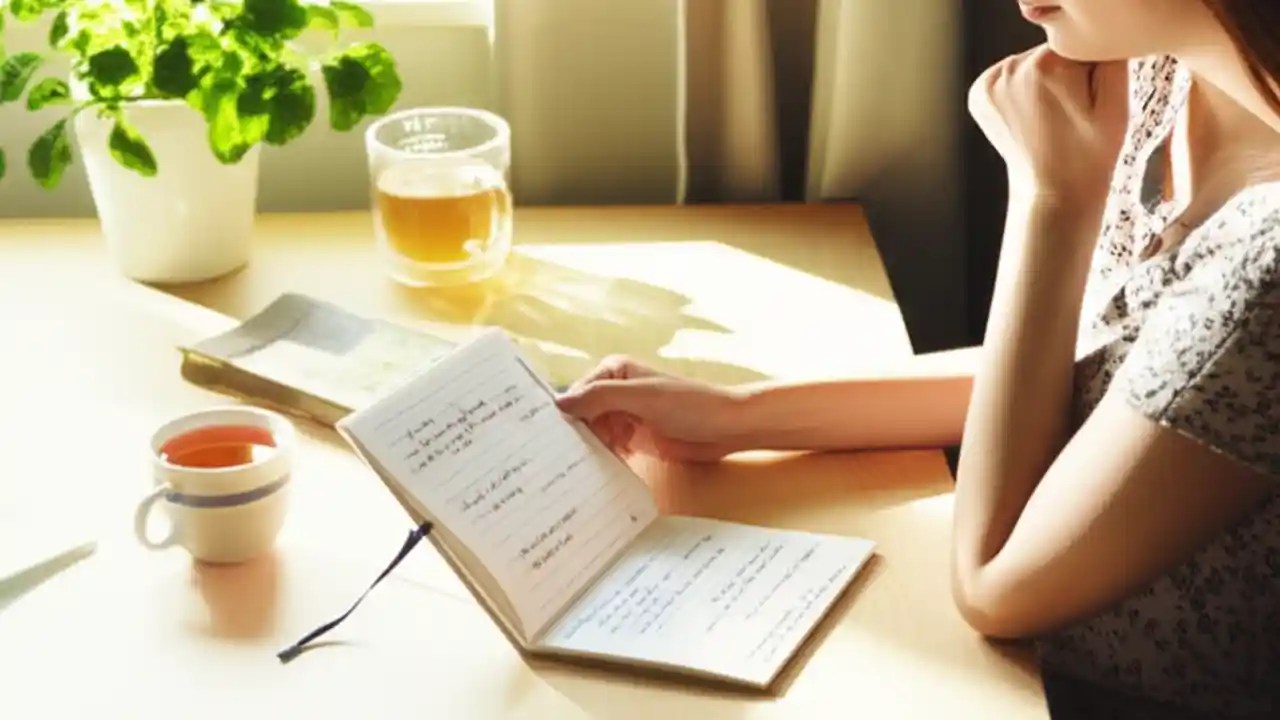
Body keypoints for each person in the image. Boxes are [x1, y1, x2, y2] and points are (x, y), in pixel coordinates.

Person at [556, 1, 1280, 717]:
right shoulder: (1164, 68)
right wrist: (738, 414)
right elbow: (1102, 383)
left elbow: (995, 587)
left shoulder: (1268, 254)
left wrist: (1050, 200)